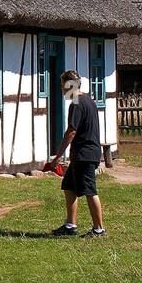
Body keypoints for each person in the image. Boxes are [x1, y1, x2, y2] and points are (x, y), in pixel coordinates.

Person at [50, 69, 106, 237]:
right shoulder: (89, 100)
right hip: (83, 153)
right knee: (69, 186)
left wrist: (58, 155)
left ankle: (99, 229)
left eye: (63, 86)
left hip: (85, 153)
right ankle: (70, 225)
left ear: (70, 85)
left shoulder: (76, 103)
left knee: (90, 191)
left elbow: (71, 131)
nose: (62, 90)